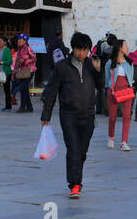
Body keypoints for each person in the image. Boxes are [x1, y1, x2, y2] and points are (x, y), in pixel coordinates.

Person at [41, 32, 104, 199]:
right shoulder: (62, 66)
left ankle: (76, 177)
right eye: (78, 49)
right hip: (69, 115)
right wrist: (46, 115)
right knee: (74, 149)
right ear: (73, 49)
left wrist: (98, 71)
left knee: (82, 151)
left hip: (88, 115)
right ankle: (75, 184)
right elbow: (52, 91)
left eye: (84, 50)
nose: (81, 53)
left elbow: (102, 86)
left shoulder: (92, 65)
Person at [104, 39, 136, 151]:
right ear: (120, 48)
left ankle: (124, 142)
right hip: (113, 91)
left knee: (126, 116)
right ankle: (111, 137)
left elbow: (131, 78)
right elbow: (107, 79)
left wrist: (131, 88)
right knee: (112, 117)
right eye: (125, 45)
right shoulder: (110, 63)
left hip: (126, 91)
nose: (127, 47)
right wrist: (109, 89)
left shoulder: (129, 62)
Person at [12, 34, 36, 113]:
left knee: (23, 88)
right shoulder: (19, 49)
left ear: (25, 41)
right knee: (24, 89)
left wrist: (25, 61)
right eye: (18, 39)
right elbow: (17, 61)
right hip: (22, 72)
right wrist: (14, 72)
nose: (19, 41)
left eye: (21, 40)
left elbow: (34, 58)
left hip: (29, 71)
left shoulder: (28, 48)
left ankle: (22, 107)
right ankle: (29, 107)